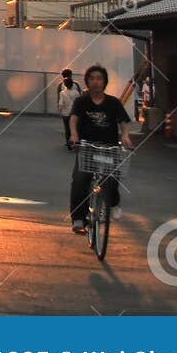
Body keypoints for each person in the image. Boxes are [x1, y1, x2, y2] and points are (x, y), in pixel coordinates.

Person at [67, 64, 133, 234]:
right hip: (87, 147)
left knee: (112, 178)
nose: (95, 82)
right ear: (87, 82)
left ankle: (112, 204)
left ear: (104, 82)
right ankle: (79, 218)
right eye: (92, 78)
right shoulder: (81, 101)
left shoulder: (113, 102)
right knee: (80, 179)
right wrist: (74, 134)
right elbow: (73, 118)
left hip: (109, 148)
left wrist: (125, 136)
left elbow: (123, 122)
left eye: (99, 78)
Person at [54, 69, 82, 147]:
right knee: (76, 126)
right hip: (75, 110)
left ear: (62, 76)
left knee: (67, 128)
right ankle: (76, 141)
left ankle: (68, 143)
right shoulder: (76, 84)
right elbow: (80, 96)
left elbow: (59, 98)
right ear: (71, 75)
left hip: (65, 111)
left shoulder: (60, 85)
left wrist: (59, 107)